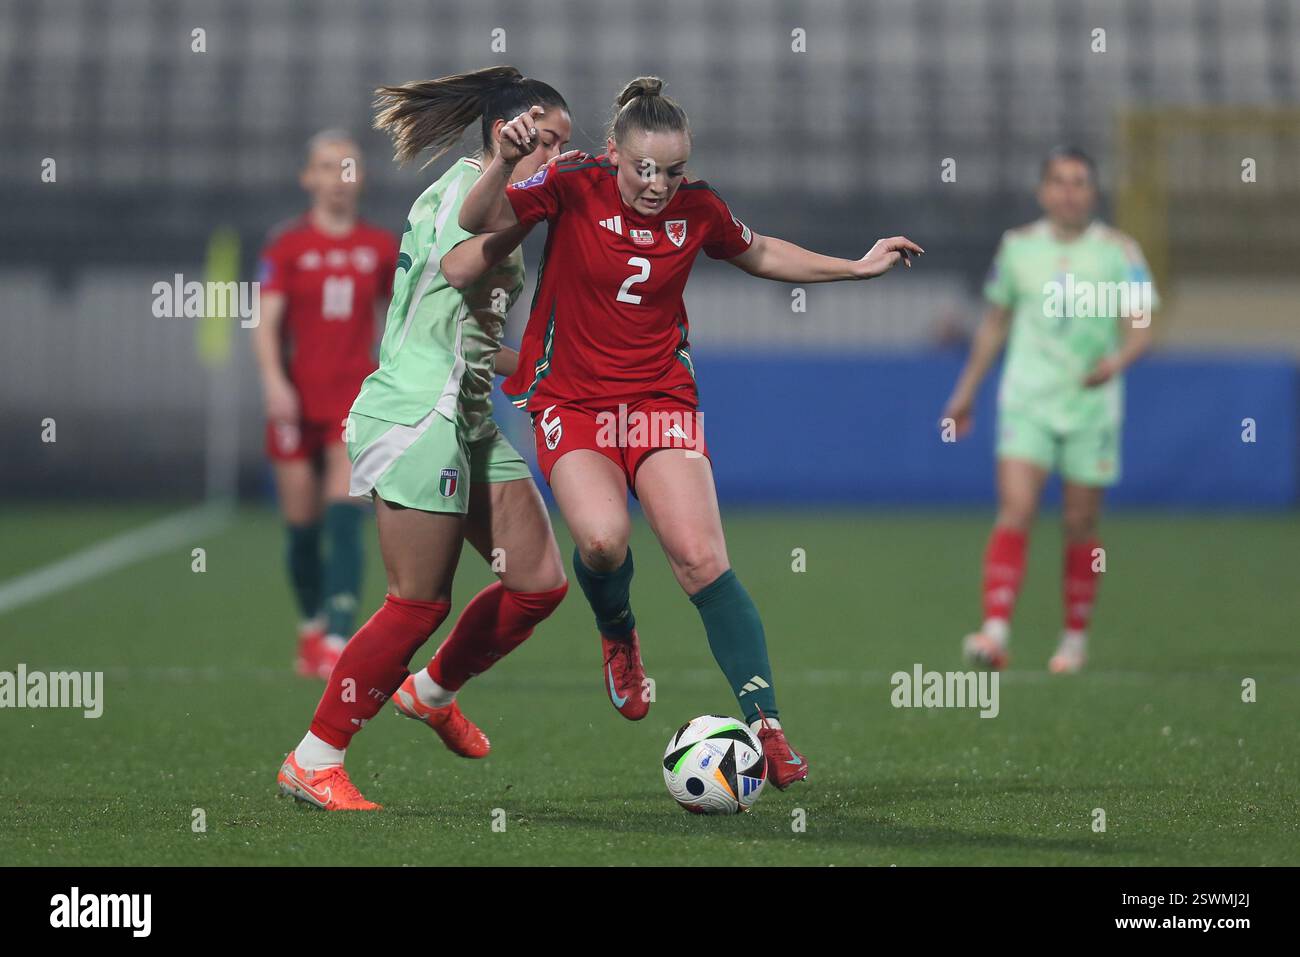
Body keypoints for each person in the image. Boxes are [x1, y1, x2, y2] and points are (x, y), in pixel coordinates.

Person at [459, 76, 924, 789]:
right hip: (573, 402)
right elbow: (475, 218)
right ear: (613, 152)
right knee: (604, 541)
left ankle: (766, 723)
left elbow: (761, 250)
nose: (657, 184)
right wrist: (501, 160)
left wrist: (857, 268)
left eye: (672, 169)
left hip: (659, 401)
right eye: (644, 167)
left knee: (702, 558)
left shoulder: (698, 208)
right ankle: (618, 633)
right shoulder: (573, 183)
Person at [277, 67, 574, 811]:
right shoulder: (475, 195)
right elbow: (456, 261)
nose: (564, 158)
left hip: (464, 413)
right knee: (417, 602)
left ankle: (430, 690)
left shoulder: (493, 195)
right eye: (556, 144)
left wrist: (554, 368)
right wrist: (516, 181)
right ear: (517, 132)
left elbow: (470, 332)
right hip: (418, 415)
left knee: (538, 580)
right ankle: (314, 758)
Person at [941, 146, 1157, 674]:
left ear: (1093, 191)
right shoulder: (1018, 247)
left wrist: (1116, 362)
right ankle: (995, 631)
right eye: (1059, 181)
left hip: (1090, 404)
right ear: (1043, 192)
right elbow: (995, 322)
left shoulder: (1119, 251)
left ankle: (1074, 638)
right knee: (1016, 507)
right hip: (1028, 399)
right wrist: (965, 390)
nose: (1069, 191)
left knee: (1081, 521)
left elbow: (1142, 325)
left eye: (1079, 181)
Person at [254, 131, 399, 679]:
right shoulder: (285, 246)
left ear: (360, 178)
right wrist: (274, 382)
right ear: (307, 178)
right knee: (301, 528)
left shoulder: (381, 247)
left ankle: (338, 639)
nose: (338, 177)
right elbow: (265, 324)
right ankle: (312, 624)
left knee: (344, 513)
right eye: (326, 167)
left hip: (353, 398)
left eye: (348, 167)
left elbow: (400, 317)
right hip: (298, 396)